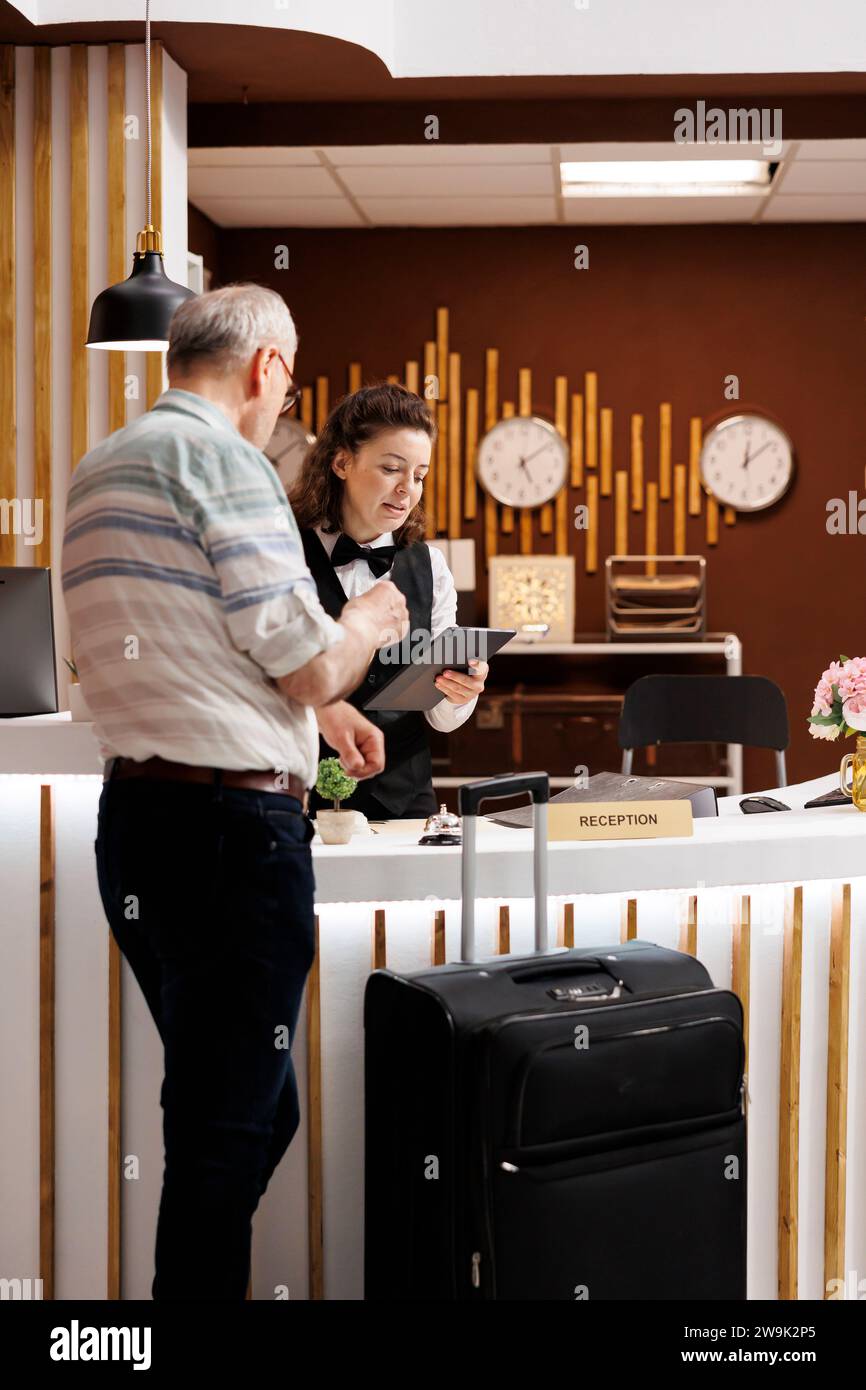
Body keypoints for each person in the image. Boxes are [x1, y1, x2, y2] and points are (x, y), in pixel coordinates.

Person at [60, 284, 408, 1301]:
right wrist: (368, 629)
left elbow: (176, 648)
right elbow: (305, 661)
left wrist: (311, 720)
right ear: (265, 369)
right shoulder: (228, 463)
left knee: (242, 1112)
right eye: (287, 383)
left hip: (140, 827)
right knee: (224, 1135)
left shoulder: (98, 466)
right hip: (230, 835)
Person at [289, 384, 488, 821]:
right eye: (391, 469)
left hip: (406, 803)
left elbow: (444, 721)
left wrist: (461, 692)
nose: (406, 490)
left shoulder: (430, 566)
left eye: (418, 476)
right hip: (304, 799)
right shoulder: (284, 554)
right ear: (342, 462)